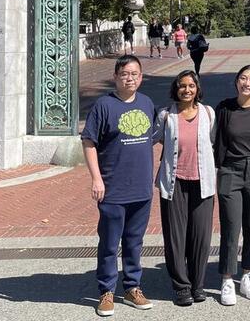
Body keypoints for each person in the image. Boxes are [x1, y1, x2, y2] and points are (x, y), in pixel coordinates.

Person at [81, 55, 156, 316]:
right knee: (110, 243)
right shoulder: (104, 106)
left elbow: (154, 138)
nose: (130, 78)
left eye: (135, 73)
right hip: (113, 188)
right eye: (125, 73)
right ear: (115, 76)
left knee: (135, 241)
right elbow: (89, 142)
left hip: (142, 188)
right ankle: (106, 291)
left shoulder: (147, 103)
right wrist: (96, 178)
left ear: (141, 77)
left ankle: (133, 286)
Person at [154, 71, 217, 307]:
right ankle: (182, 287)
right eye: (182, 86)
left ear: (197, 89)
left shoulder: (208, 113)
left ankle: (197, 284)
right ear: (176, 88)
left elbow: (212, 141)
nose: (187, 90)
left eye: (191, 86)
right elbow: (153, 139)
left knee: (201, 236)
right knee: (175, 237)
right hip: (174, 182)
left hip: (203, 182)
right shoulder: (166, 115)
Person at [213, 65, 250, 306]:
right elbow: (214, 139)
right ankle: (227, 278)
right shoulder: (225, 108)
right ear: (236, 82)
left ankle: (247, 275)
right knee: (230, 225)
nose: (247, 83)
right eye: (243, 78)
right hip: (230, 170)